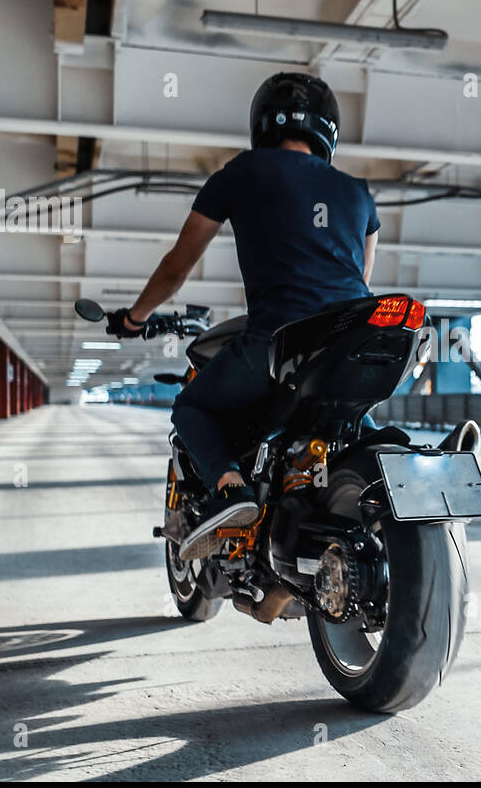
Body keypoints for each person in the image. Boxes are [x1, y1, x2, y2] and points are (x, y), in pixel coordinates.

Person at [104, 72, 379, 560]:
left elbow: (177, 265)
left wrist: (133, 317)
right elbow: (361, 277)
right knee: (353, 419)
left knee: (192, 406)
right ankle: (405, 462)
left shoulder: (242, 172)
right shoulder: (359, 193)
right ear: (329, 130)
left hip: (280, 342)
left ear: (262, 123)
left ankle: (232, 489)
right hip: (352, 344)